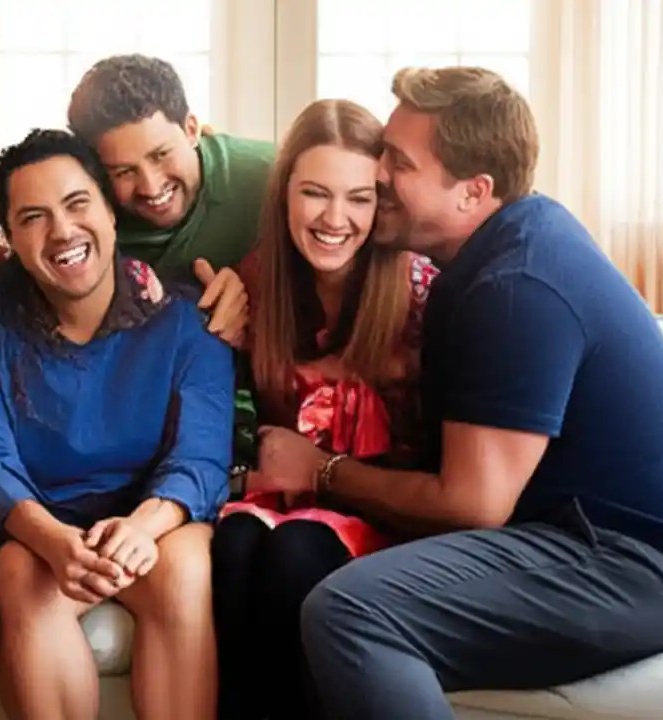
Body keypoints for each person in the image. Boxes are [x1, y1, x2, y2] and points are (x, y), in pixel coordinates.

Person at [251, 66, 663, 719]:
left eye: (398, 162)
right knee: (303, 575)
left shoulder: (518, 285)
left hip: (624, 567)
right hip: (574, 545)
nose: (376, 175)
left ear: (473, 192)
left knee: (352, 613)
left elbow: (473, 503)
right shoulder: (490, 256)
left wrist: (322, 471)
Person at [0, 128, 235, 720]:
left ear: (109, 212)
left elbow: (201, 458)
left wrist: (146, 526)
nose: (63, 232)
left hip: (154, 518)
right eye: (34, 218)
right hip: (42, 523)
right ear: (11, 239)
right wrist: (51, 539)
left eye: (77, 205)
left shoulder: (185, 320)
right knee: (23, 573)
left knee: (184, 567)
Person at [209, 99, 437, 720]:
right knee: (231, 545)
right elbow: (226, 427)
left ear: (382, 204)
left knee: (297, 553)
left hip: (385, 505)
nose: (335, 218)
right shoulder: (258, 282)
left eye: (359, 198)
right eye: (315, 193)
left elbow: (444, 463)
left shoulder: (420, 293)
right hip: (280, 501)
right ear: (284, 195)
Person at [68, 53, 265, 347]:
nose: (151, 186)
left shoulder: (270, 179)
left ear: (190, 129)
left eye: (161, 155)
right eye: (123, 171)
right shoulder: (80, 224)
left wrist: (258, 326)